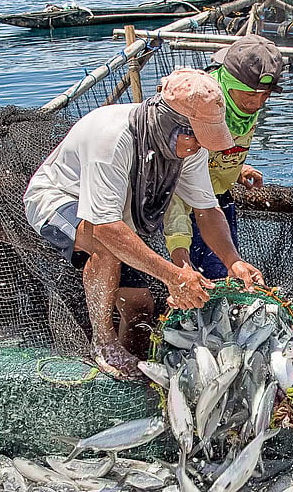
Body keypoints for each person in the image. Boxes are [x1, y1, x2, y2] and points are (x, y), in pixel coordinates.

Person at [24, 68, 265, 378]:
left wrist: (234, 262)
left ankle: (133, 358)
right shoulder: (112, 137)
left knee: (140, 309)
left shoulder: (190, 148)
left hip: (118, 214)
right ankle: (104, 343)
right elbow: (105, 228)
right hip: (59, 200)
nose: (197, 147)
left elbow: (207, 210)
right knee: (106, 247)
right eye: (194, 136)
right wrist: (173, 275)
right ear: (167, 121)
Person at [163, 34, 282, 278]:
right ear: (228, 83)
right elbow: (174, 188)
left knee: (230, 272)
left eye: (265, 95)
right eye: (250, 95)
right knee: (199, 278)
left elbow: (221, 148)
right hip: (184, 203)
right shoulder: (200, 107)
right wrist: (180, 256)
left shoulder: (246, 106)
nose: (257, 103)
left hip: (217, 198)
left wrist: (237, 168)